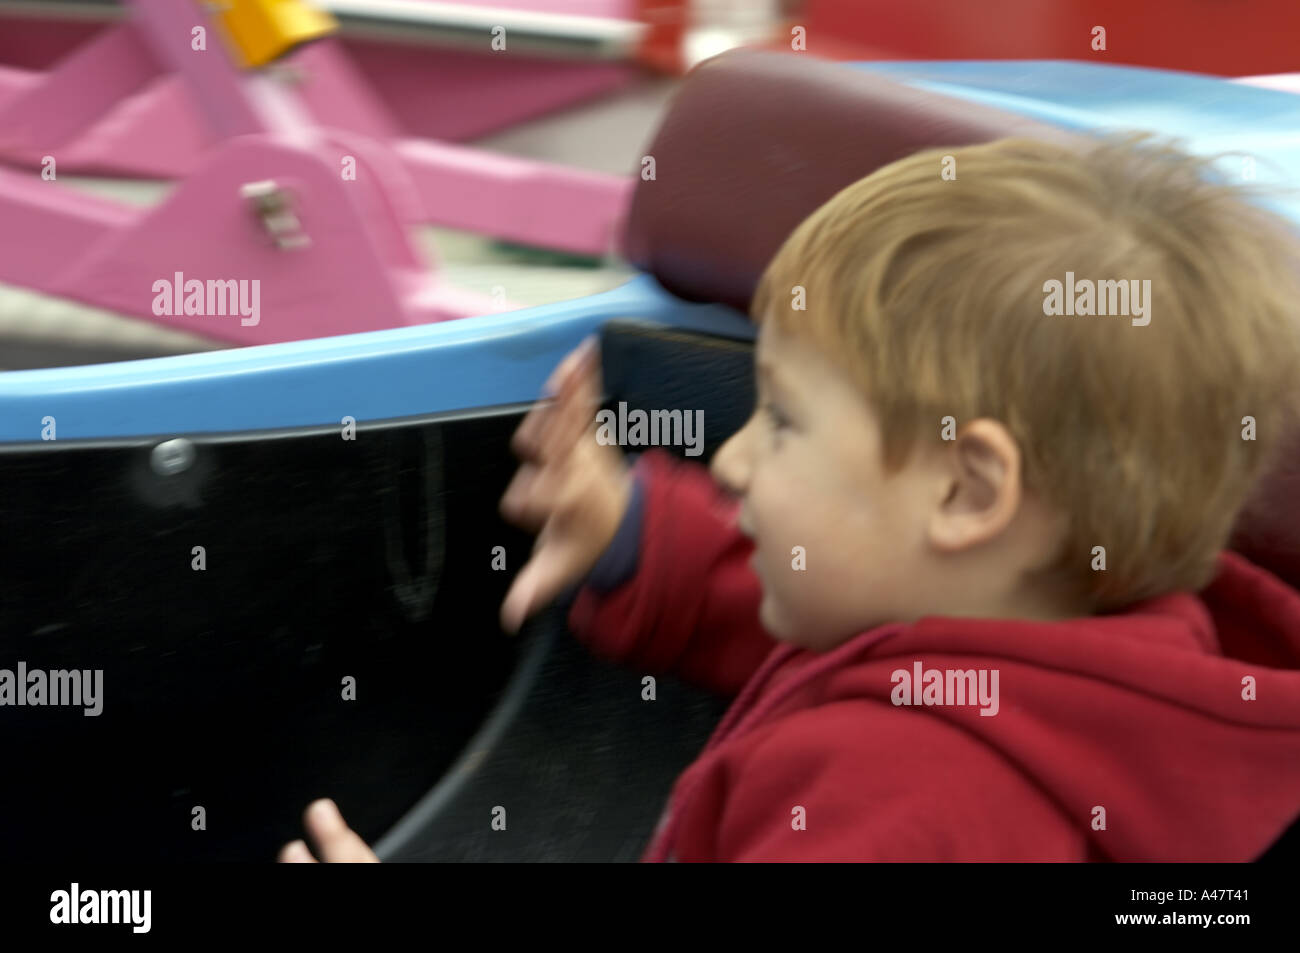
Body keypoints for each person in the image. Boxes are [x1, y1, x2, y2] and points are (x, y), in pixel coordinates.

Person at [280, 135, 1300, 862]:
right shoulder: (1114, 669)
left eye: (781, 419)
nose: (728, 461)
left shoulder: (898, 801)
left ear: (965, 486)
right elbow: (882, 648)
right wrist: (641, 540)